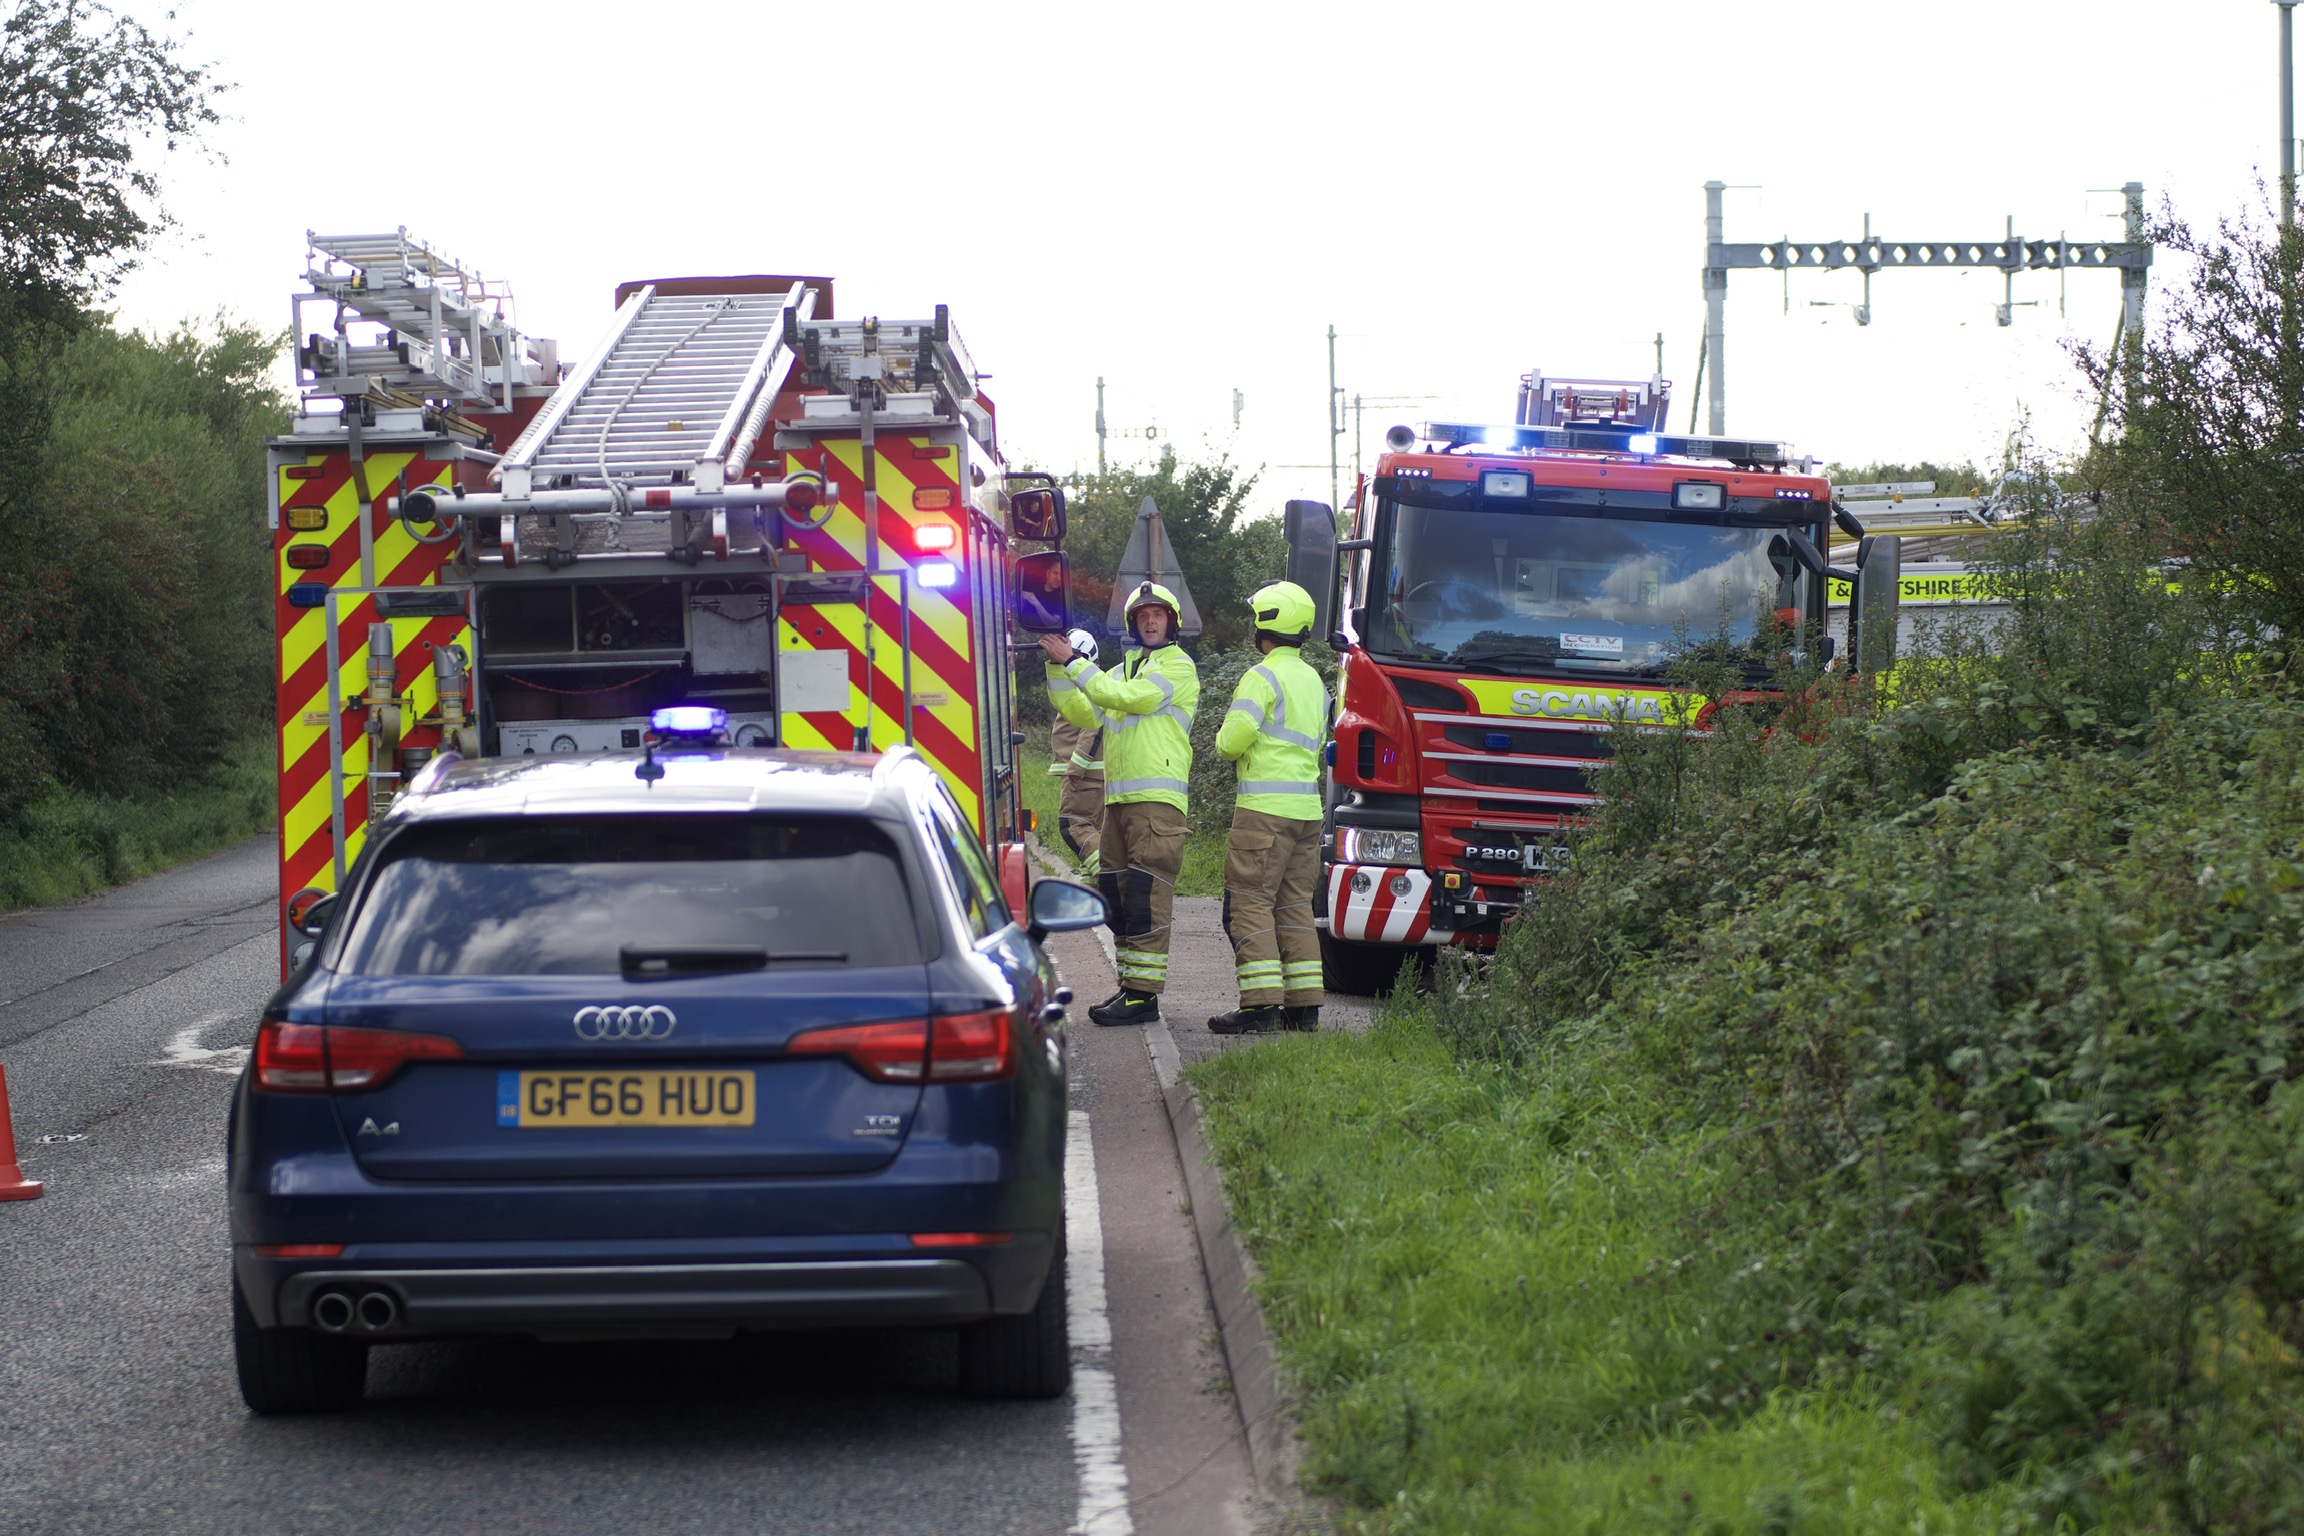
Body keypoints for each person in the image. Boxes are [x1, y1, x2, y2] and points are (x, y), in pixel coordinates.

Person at [1037, 582, 1198, 1026]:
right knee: (1115, 894)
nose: (1150, 620)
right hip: (1120, 799)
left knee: (1146, 898)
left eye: (1158, 614)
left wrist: (1073, 661)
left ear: (1171, 622)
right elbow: (1082, 712)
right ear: (1133, 623)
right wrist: (1056, 668)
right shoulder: (1124, 670)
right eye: (1143, 614)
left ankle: (1143, 997)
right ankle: (1129, 988)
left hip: (1156, 800)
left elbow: (1127, 699)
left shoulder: (1177, 667)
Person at [1207, 581, 1329, 1035]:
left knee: (1251, 902)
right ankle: (1304, 1008)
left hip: (1263, 810)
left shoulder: (1261, 676)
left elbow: (1230, 742)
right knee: (1294, 904)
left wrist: (1224, 742)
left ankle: (1259, 1006)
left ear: (1265, 625)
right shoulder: (1315, 681)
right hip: (1306, 810)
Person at [1046, 627, 1108, 876]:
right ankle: (1095, 896)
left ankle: (1109, 874)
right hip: (1094, 776)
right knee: (1093, 832)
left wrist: (1077, 766)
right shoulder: (1095, 684)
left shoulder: (1088, 686)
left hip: (1084, 776)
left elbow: (1091, 727)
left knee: (1073, 826)